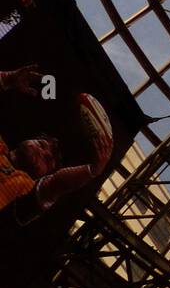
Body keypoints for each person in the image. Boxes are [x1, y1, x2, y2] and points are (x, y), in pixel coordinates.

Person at [0, 65, 111, 225]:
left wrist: (92, 171)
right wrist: (6, 79)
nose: (43, 152)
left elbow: (56, 185)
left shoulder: (25, 190)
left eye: (49, 160)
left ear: (45, 175)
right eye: (42, 144)